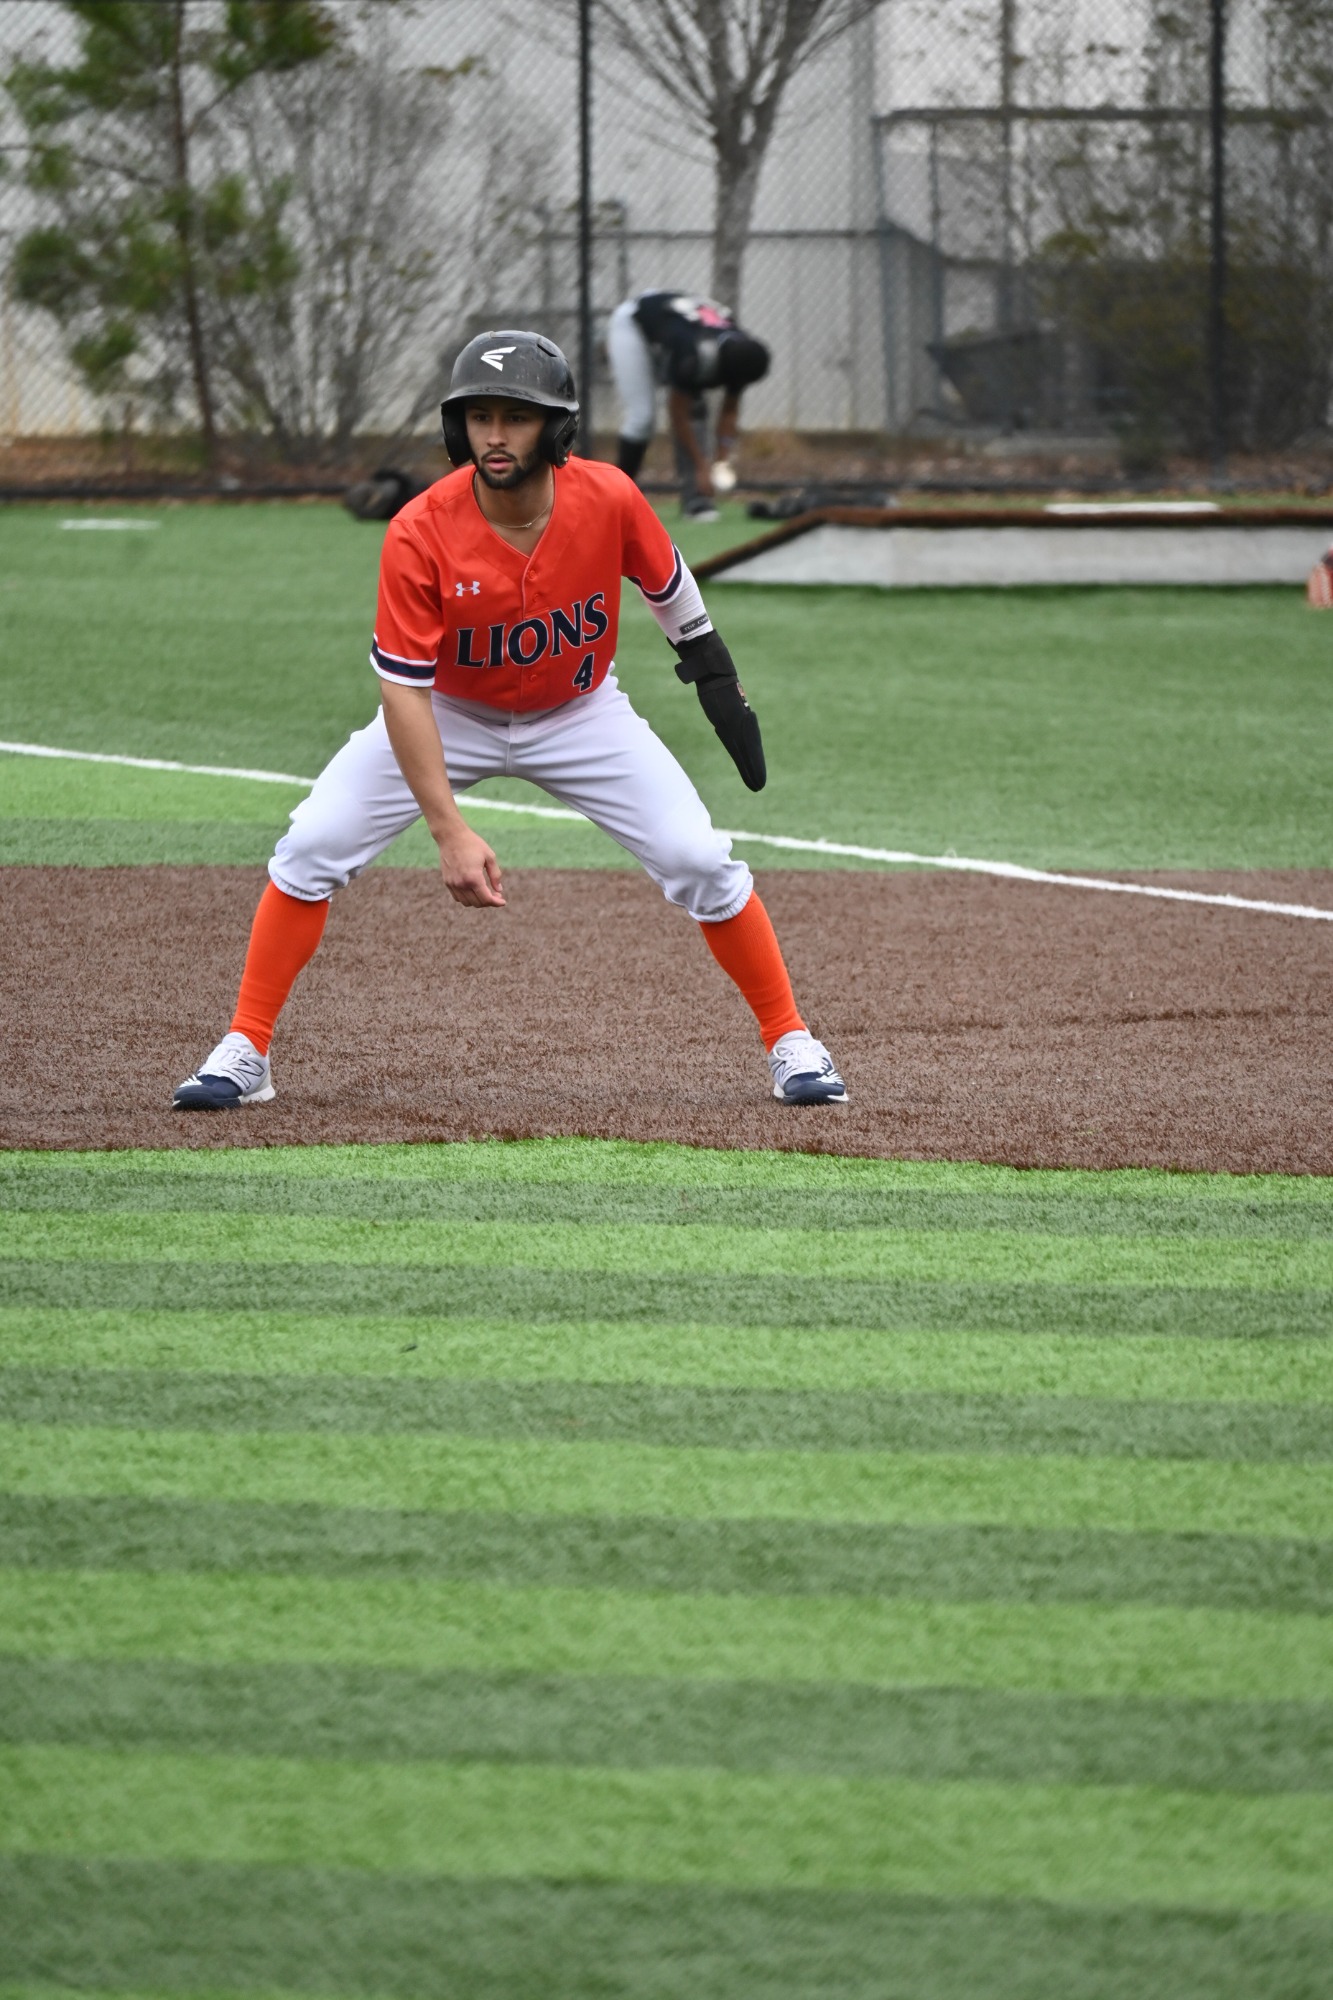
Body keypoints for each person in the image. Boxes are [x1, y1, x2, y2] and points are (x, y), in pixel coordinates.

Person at [173, 329, 846, 1111]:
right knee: (312, 844)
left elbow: (671, 588)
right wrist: (448, 828)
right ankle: (246, 1048)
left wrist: (713, 675)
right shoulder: (420, 531)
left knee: (698, 858)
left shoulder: (609, 497)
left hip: (581, 713)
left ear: (556, 427)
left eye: (517, 416)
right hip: (450, 713)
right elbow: (404, 693)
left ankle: (790, 1040)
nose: (494, 435)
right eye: (479, 415)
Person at [608, 290, 770, 520]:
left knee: (696, 408)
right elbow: (677, 414)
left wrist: (721, 462)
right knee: (642, 418)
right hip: (634, 322)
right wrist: (702, 465)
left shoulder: (741, 350)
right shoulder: (693, 354)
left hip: (673, 323)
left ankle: (695, 501)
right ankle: (613, 499)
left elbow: (729, 411)